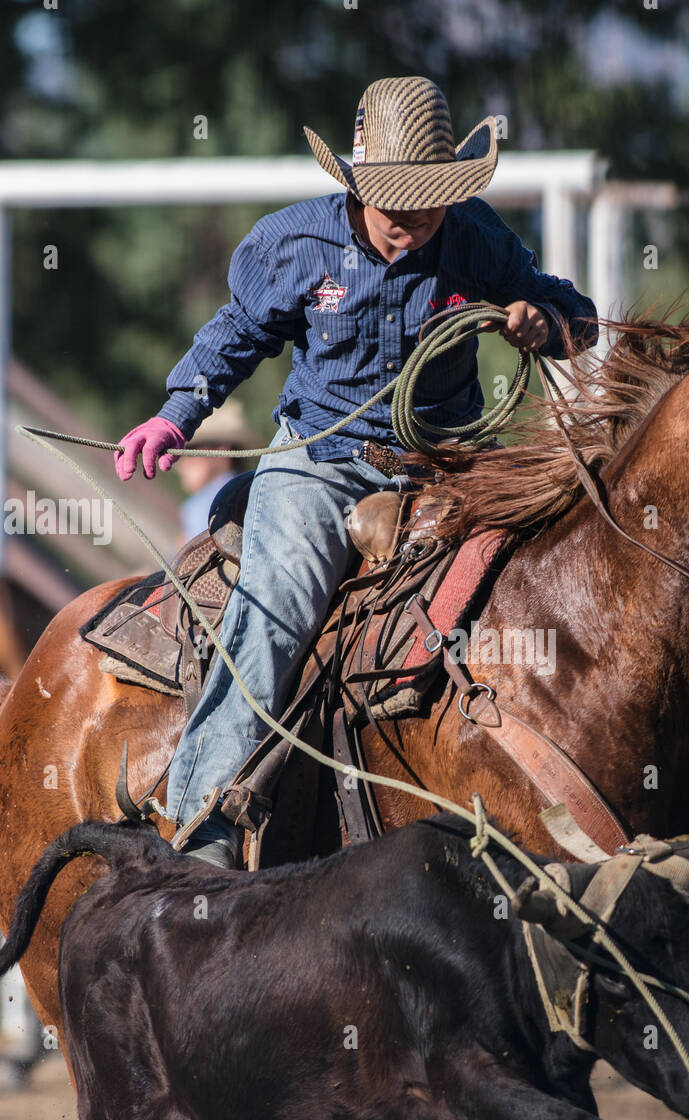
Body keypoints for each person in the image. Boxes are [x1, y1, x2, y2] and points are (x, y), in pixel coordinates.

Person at [114, 76, 598, 866]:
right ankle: (196, 836)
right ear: (357, 187)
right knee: (274, 616)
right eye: (393, 207)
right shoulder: (297, 243)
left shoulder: (476, 239)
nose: (411, 225)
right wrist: (175, 416)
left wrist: (546, 322)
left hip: (450, 468)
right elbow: (238, 333)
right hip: (322, 463)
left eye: (429, 205)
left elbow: (575, 314)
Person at [175, 398, 257, 545]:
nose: (181, 462)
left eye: (191, 451)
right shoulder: (251, 492)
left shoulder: (208, 504)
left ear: (220, 450)